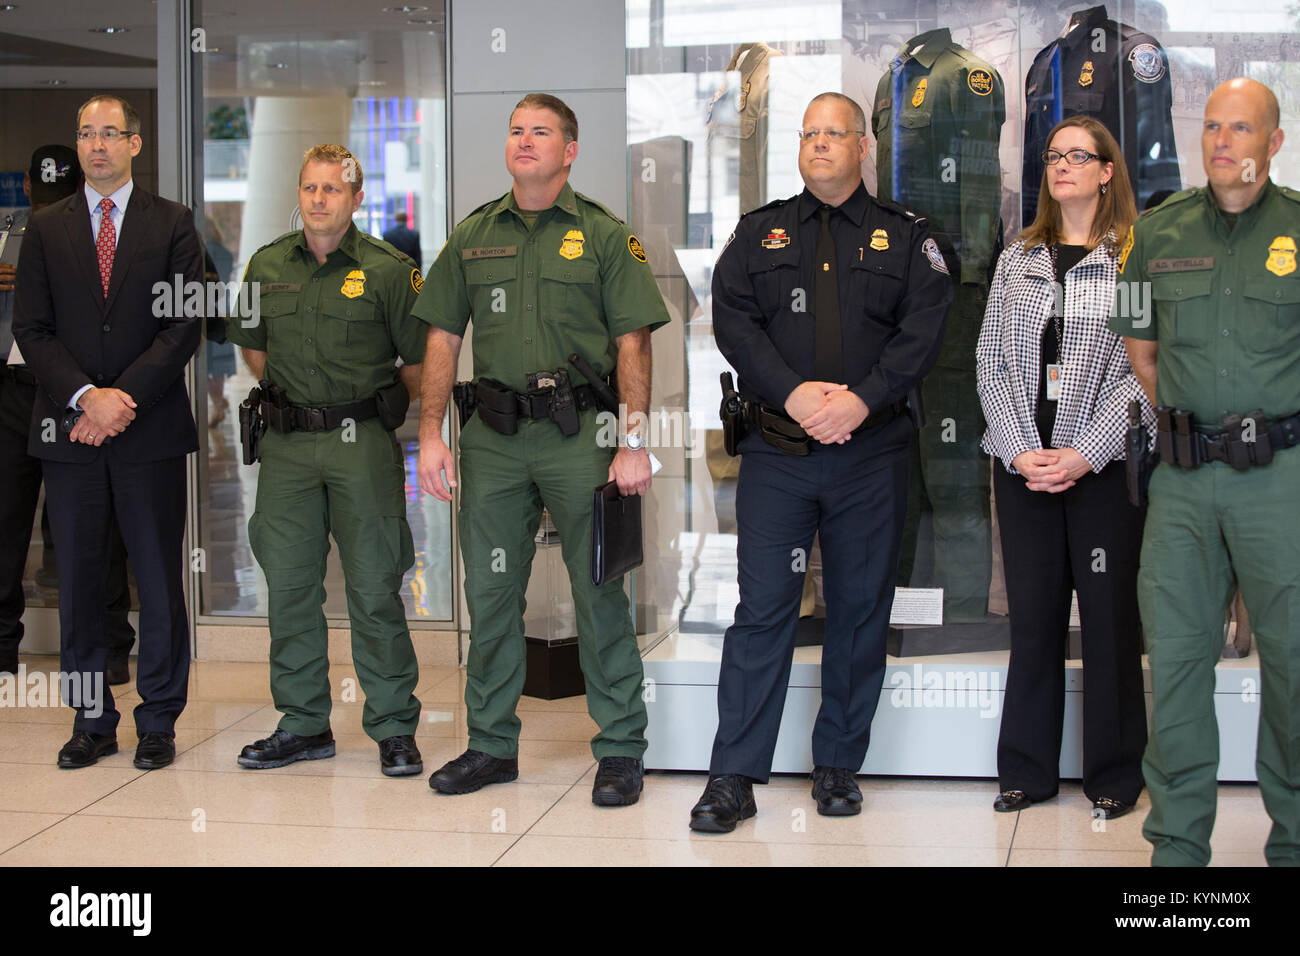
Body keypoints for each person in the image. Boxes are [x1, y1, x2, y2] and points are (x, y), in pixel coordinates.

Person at [690, 92, 950, 832]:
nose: (820, 145)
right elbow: (735, 321)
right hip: (779, 453)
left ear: (863, 147)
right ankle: (733, 775)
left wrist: (861, 401)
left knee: (860, 613)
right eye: (809, 135)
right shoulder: (760, 234)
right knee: (762, 613)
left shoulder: (906, 238)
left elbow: (923, 332)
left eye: (835, 134)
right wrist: (796, 394)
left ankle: (838, 764)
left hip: (872, 455)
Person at [415, 93, 669, 806]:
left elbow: (633, 343)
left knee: (599, 594)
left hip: (579, 438)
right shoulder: (473, 236)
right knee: (491, 595)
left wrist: (633, 441)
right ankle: (491, 744)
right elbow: (441, 336)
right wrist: (431, 433)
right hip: (492, 442)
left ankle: (620, 746)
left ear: (570, 150)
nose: (525, 142)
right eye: (517, 131)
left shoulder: (603, 236)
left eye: (542, 132)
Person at [1113, 77, 1299, 866]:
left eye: (1241, 128)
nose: (1222, 141)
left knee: (1293, 663)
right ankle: (1180, 850)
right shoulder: (1157, 233)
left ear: (1274, 142)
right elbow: (1140, 352)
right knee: (1180, 661)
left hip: (1279, 484)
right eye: (1213, 127)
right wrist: (1198, 428)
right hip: (1184, 484)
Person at [13, 96, 202, 770]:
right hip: (71, 435)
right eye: (87, 134)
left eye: (110, 134)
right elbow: (30, 329)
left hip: (146, 432)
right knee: (83, 582)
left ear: (135, 144)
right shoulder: (45, 229)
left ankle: (158, 720)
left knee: (155, 579)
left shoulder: (173, 224)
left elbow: (185, 324)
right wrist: (85, 398)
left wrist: (122, 398)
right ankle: (91, 720)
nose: (97, 146)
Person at [227, 144, 427, 777]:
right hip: (286, 445)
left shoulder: (390, 270)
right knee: (288, 586)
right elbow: (254, 351)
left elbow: (420, 364)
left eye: (332, 190)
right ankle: (304, 723)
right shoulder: (264, 266)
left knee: (373, 586)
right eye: (310, 188)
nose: (318, 199)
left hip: (361, 442)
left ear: (356, 198)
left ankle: (394, 727)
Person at [976, 116, 1151, 821]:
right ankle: (1026, 771)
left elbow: (1144, 372)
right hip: (1024, 471)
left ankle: (1113, 776)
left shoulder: (1134, 258)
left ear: (1108, 170)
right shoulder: (1018, 257)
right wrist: (1020, 450)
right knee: (1035, 622)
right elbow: (991, 358)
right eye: (1053, 156)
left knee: (1109, 622)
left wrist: (1085, 452)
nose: (1063, 166)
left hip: (1102, 471)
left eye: (1079, 156)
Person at [1, 145, 137, 686]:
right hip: (12, 393)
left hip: (79, 394)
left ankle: (106, 648)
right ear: (28, 190)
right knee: (6, 522)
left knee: (92, 525)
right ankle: (3, 649)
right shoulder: (11, 228)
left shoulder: (98, 231)